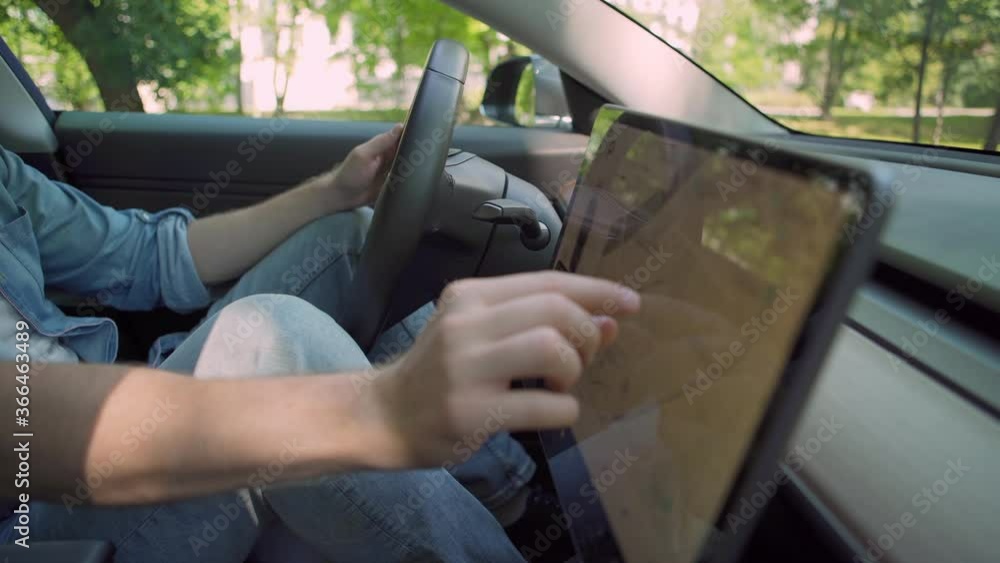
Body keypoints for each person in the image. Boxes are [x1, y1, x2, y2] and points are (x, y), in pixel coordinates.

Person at [0, 128, 640, 562]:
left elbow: (147, 255)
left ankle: (514, 504)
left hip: (100, 405)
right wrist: (372, 412)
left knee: (341, 237)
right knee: (268, 343)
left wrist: (332, 190)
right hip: (31, 521)